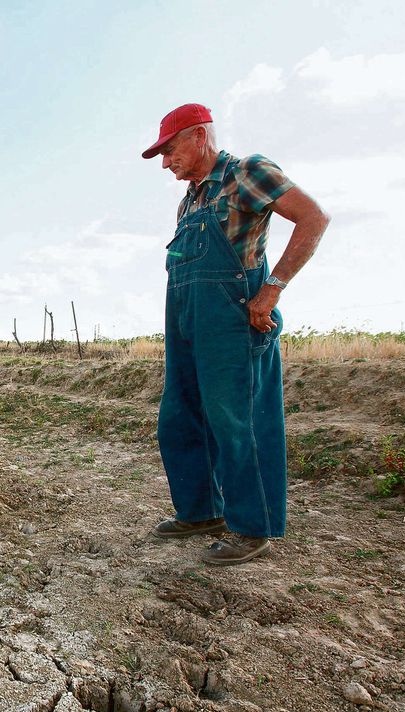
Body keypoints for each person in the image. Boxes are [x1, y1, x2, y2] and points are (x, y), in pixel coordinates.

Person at [142, 103, 330, 566]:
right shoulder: (190, 199)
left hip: (232, 317)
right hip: (187, 315)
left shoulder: (247, 172)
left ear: (199, 135)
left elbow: (313, 218)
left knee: (237, 418)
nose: (166, 163)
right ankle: (201, 510)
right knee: (180, 413)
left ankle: (252, 526)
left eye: (168, 150)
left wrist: (271, 291)